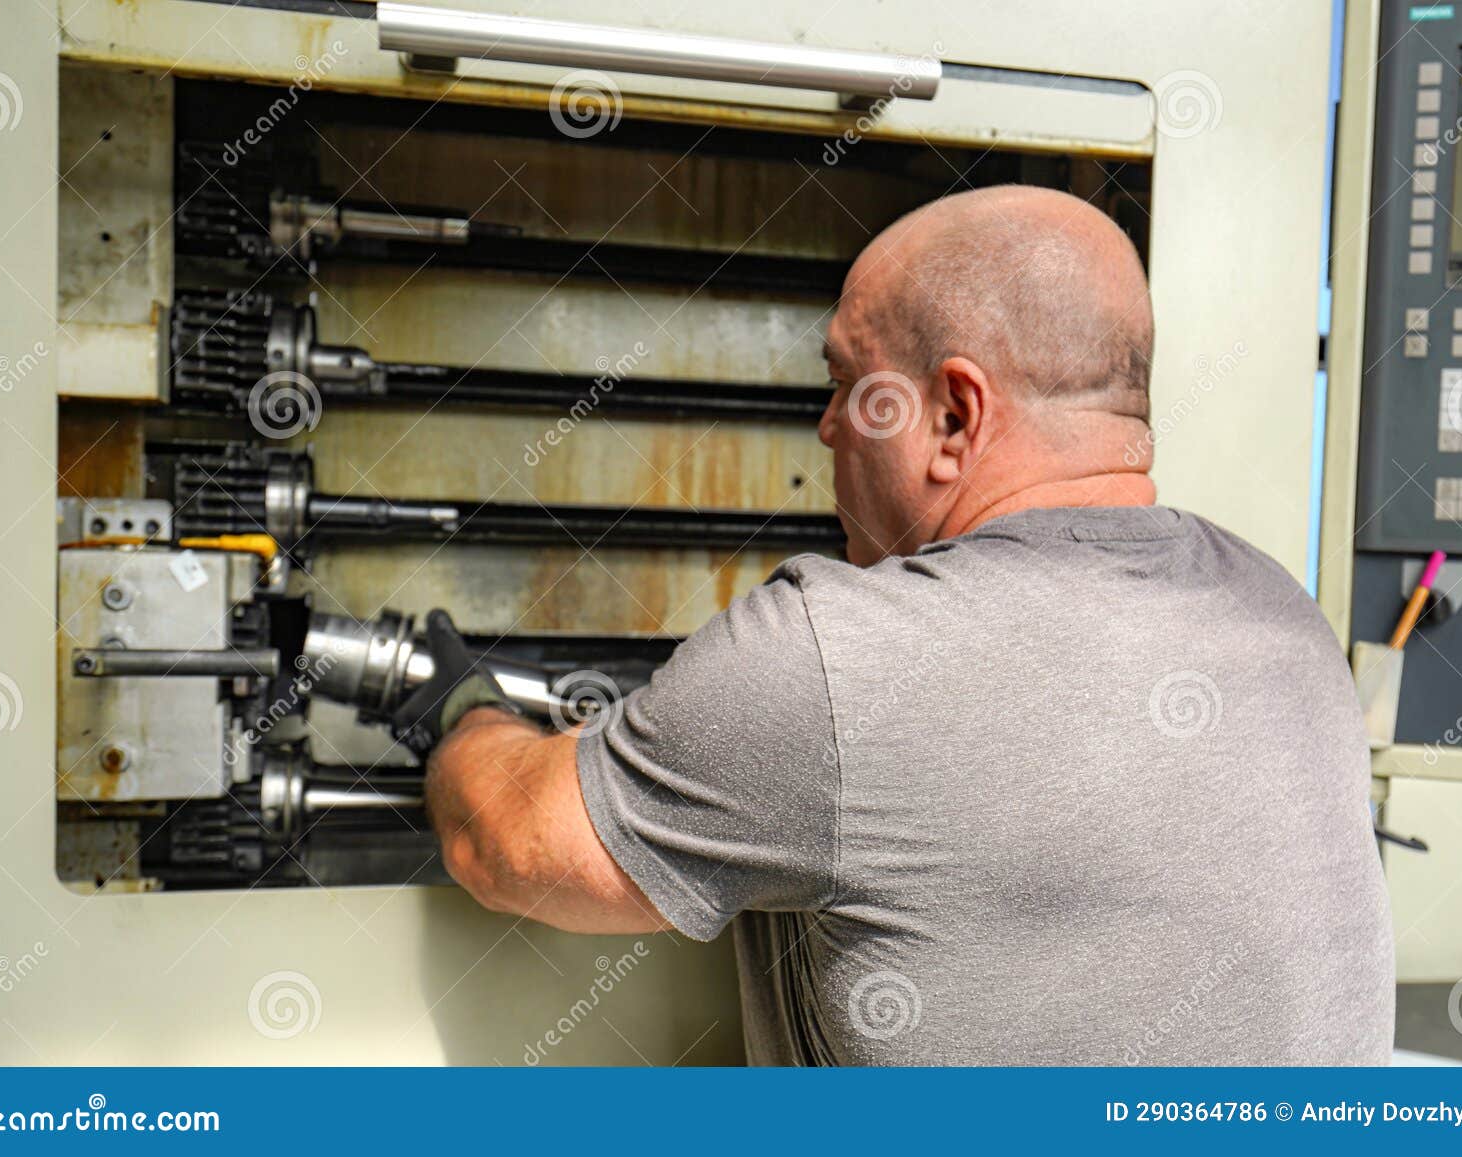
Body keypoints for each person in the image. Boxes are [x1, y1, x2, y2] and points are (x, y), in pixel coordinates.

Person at [395, 185, 1394, 1065]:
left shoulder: (838, 658)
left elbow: (509, 843)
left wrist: (461, 708)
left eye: (844, 383)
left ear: (954, 416)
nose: (825, 425)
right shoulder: (1284, 617)